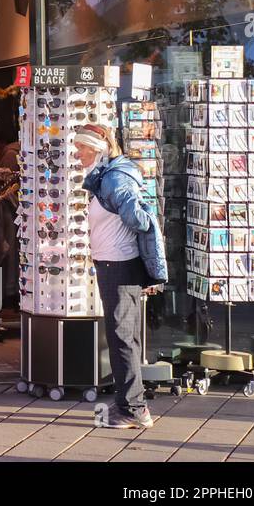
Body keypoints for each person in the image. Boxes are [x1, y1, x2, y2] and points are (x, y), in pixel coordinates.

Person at [73, 122, 168, 429]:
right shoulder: (109, 176)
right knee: (124, 336)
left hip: (118, 264)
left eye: (81, 148)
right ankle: (129, 403)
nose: (77, 154)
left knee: (122, 338)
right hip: (114, 263)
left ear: (97, 149)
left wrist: (140, 220)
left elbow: (138, 217)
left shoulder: (114, 178)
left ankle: (135, 409)